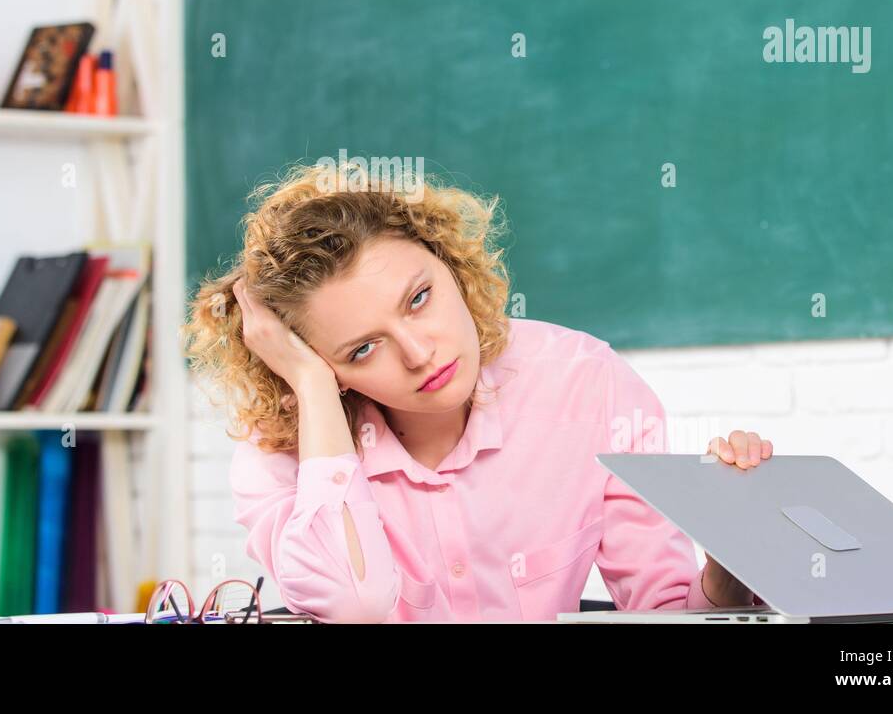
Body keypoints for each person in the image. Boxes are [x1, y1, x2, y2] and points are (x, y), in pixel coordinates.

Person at [181, 160, 771, 622]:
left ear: (450, 264)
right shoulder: (286, 449)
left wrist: (732, 567)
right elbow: (352, 607)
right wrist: (311, 387)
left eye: (419, 299)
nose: (419, 353)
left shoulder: (585, 384)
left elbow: (663, 616)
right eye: (362, 349)